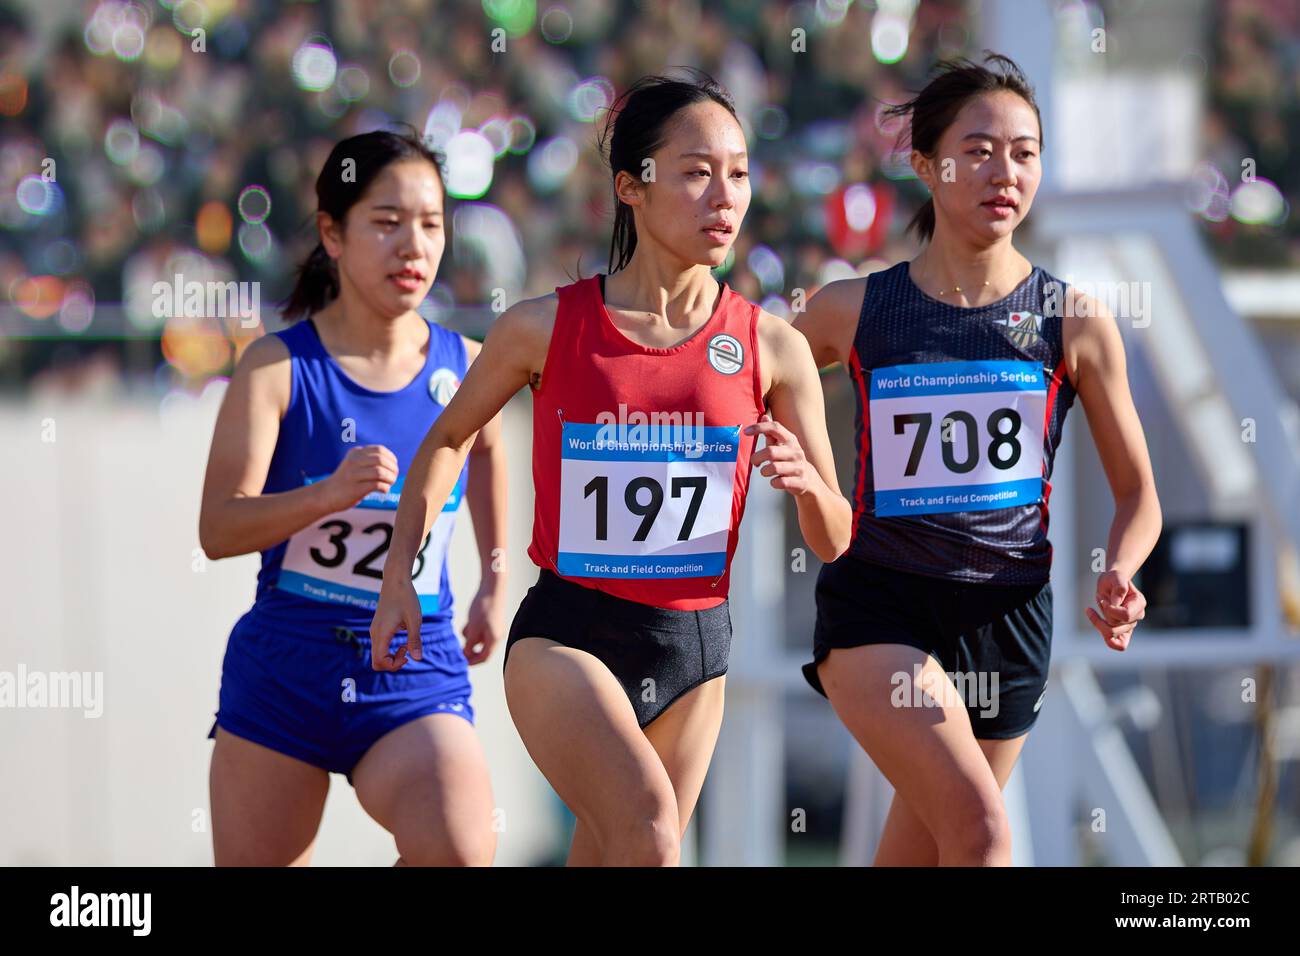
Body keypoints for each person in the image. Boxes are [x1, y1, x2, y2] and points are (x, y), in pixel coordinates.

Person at [370, 73, 851, 866]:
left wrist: (806, 481)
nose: (723, 195)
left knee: (617, 851)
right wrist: (401, 576)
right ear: (632, 186)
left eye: (737, 172)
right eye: (696, 172)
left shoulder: (774, 347)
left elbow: (834, 540)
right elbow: (446, 440)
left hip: (696, 645)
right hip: (570, 635)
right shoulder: (540, 329)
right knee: (652, 834)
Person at [794, 53, 1163, 866]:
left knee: (929, 851)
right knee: (983, 833)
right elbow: (743, 381)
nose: (1006, 171)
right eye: (981, 148)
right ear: (926, 164)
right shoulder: (852, 310)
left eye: (1026, 151)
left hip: (1009, 619)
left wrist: (1123, 572)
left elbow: (1139, 493)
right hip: (880, 610)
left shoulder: (1074, 320)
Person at [199, 128, 505, 866]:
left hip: (413, 667)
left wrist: (493, 578)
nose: (414, 246)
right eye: (387, 222)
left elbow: (489, 450)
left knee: (462, 853)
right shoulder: (276, 367)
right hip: (286, 671)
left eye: (431, 225)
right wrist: (327, 496)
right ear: (333, 234)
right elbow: (218, 529)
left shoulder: (467, 366)